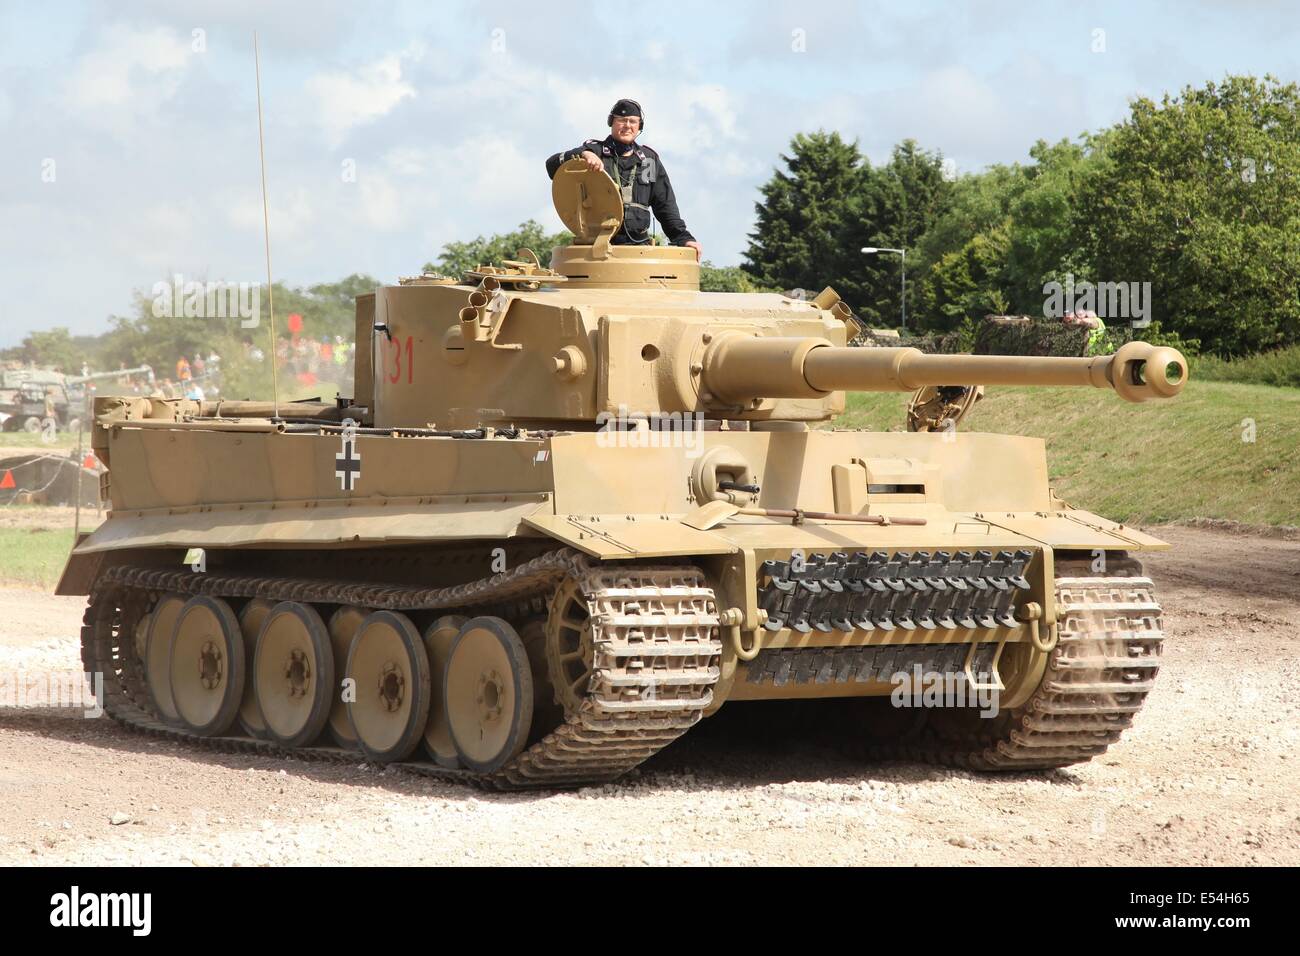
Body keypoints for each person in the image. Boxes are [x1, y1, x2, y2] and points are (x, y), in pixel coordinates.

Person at [546, 98, 701, 258]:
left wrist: (683, 238)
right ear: (611, 122)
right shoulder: (594, 151)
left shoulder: (648, 160)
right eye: (622, 120)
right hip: (597, 245)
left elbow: (665, 205)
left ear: (639, 126)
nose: (627, 125)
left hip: (638, 247)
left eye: (633, 121)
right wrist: (582, 155)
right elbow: (551, 165)